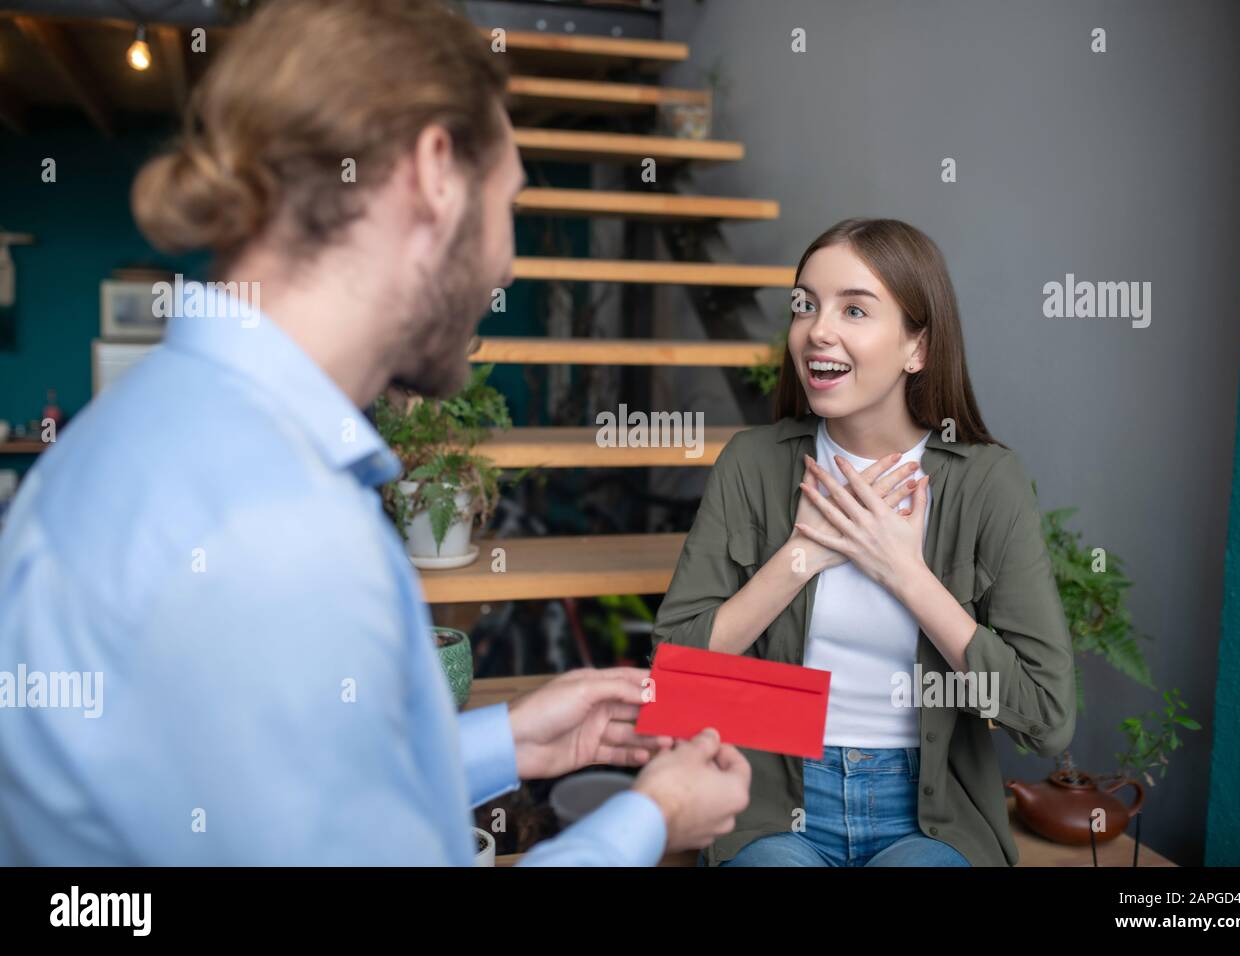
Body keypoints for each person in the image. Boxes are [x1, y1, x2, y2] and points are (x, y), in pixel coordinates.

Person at [0, 0, 750, 865]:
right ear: (437, 173)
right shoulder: (280, 524)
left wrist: (505, 744)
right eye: (509, 202)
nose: (506, 264)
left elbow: (266, 794)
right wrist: (649, 821)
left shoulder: (147, 433)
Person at [653, 218, 1077, 867]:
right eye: (806, 305)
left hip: (931, 817)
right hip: (772, 800)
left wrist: (905, 572)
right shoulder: (754, 464)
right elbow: (671, 677)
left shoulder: (987, 482)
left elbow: (1047, 719)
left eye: (854, 308)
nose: (818, 329)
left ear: (918, 349)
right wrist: (803, 555)